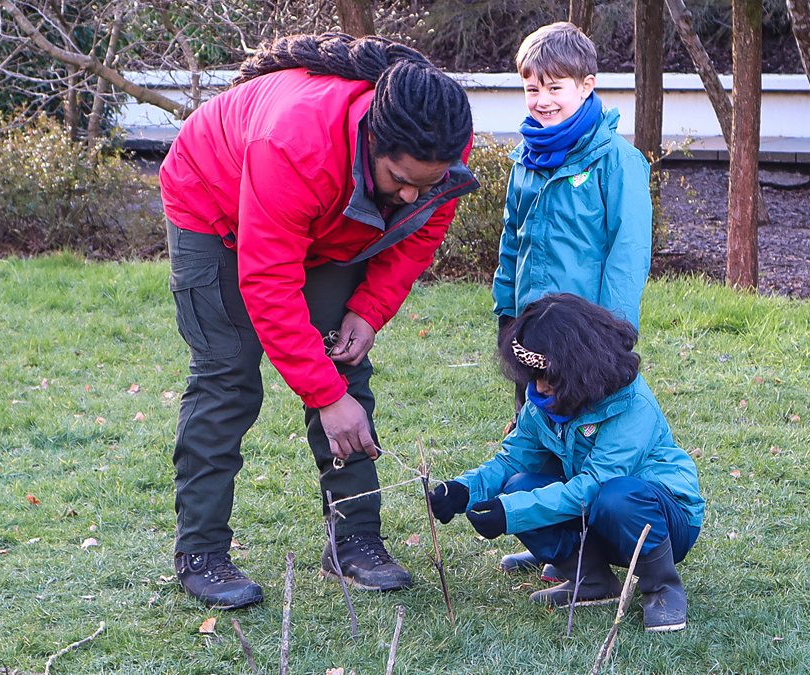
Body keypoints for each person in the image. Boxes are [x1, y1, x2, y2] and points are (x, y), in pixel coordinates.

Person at [159, 33, 477, 609]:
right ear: (373, 138)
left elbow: (419, 232)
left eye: (425, 184)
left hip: (324, 216)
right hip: (212, 202)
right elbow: (268, 283)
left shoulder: (441, 143)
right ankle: (201, 552)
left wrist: (368, 310)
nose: (411, 195)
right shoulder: (294, 142)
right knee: (227, 376)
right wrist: (324, 396)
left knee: (344, 363)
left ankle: (354, 540)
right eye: (400, 179)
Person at [429, 294, 704, 632]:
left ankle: (663, 589)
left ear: (579, 367)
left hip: (666, 520)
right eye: (533, 375)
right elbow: (513, 459)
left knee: (616, 496)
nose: (538, 387)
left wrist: (509, 512)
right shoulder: (544, 400)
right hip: (598, 512)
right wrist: (463, 490)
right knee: (518, 485)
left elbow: (592, 488)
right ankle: (591, 580)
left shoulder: (632, 406)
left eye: (547, 376)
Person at [492, 21, 653, 577]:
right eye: (532, 88)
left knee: (587, 438)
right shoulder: (526, 160)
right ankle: (561, 545)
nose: (542, 100)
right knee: (539, 435)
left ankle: (605, 544)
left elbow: (627, 254)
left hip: (585, 339)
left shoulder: (617, 161)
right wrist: (507, 316)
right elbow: (511, 241)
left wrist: (612, 338)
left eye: (555, 87)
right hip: (532, 333)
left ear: (587, 86)